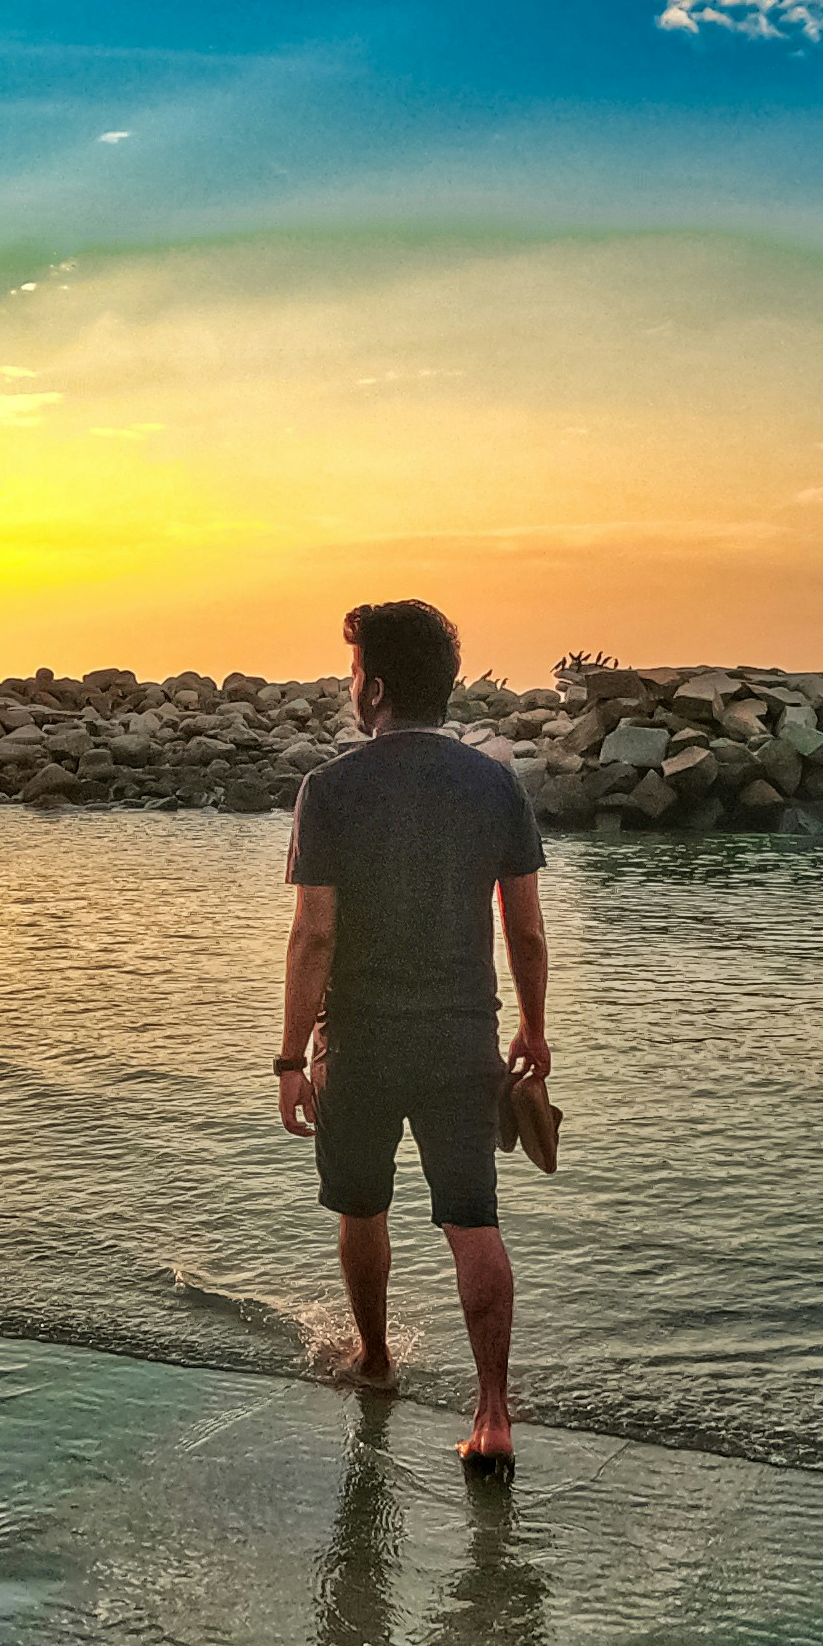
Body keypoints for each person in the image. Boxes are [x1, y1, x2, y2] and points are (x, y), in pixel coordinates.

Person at [276, 598, 552, 1466]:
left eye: (355, 673)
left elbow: (313, 935)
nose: (351, 687)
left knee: (363, 1207)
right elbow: (526, 929)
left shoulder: (331, 790)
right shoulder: (494, 784)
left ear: (380, 686)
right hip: (462, 1038)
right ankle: (494, 1415)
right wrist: (535, 1032)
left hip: (358, 1041)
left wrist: (290, 1057)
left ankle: (378, 1359)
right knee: (474, 1222)